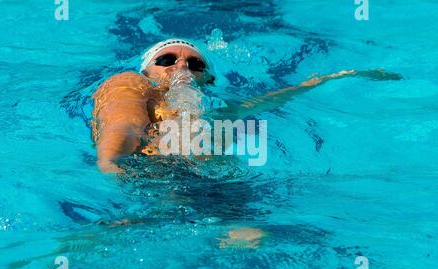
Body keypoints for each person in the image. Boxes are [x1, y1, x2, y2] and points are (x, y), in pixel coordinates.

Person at [91, 38, 402, 173]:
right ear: (148, 69)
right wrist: (111, 165)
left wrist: (332, 78)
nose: (181, 67)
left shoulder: (215, 110)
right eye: (166, 60)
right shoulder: (130, 83)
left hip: (208, 190)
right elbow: (125, 124)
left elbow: (273, 98)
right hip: (142, 174)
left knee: (251, 238)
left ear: (207, 80)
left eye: (195, 64)